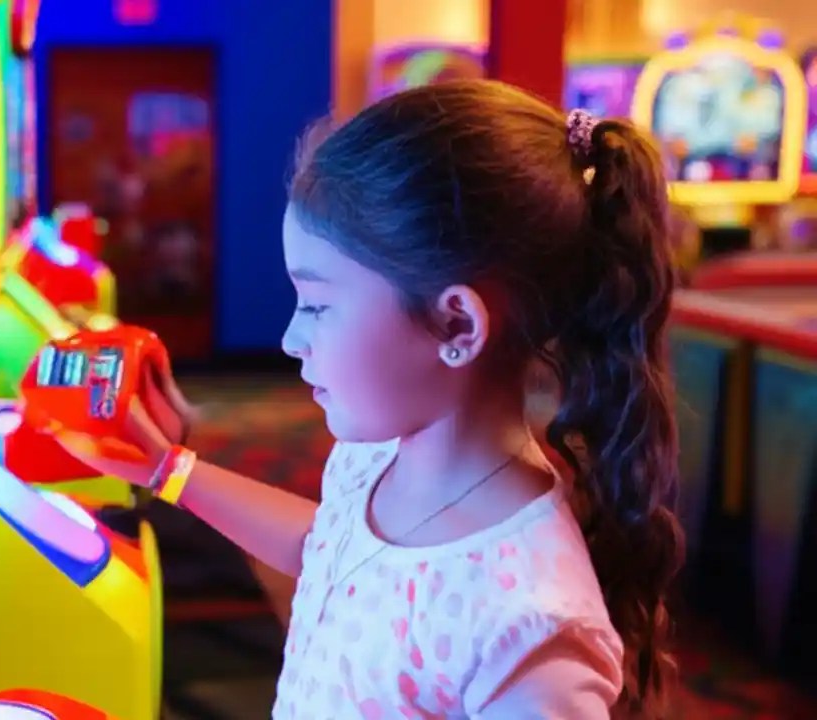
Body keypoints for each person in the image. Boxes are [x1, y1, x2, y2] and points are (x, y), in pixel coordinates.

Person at [53, 80, 683, 718]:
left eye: (319, 304)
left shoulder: (531, 629)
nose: (291, 339)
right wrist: (166, 470)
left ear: (458, 326)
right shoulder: (378, 455)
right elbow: (329, 550)